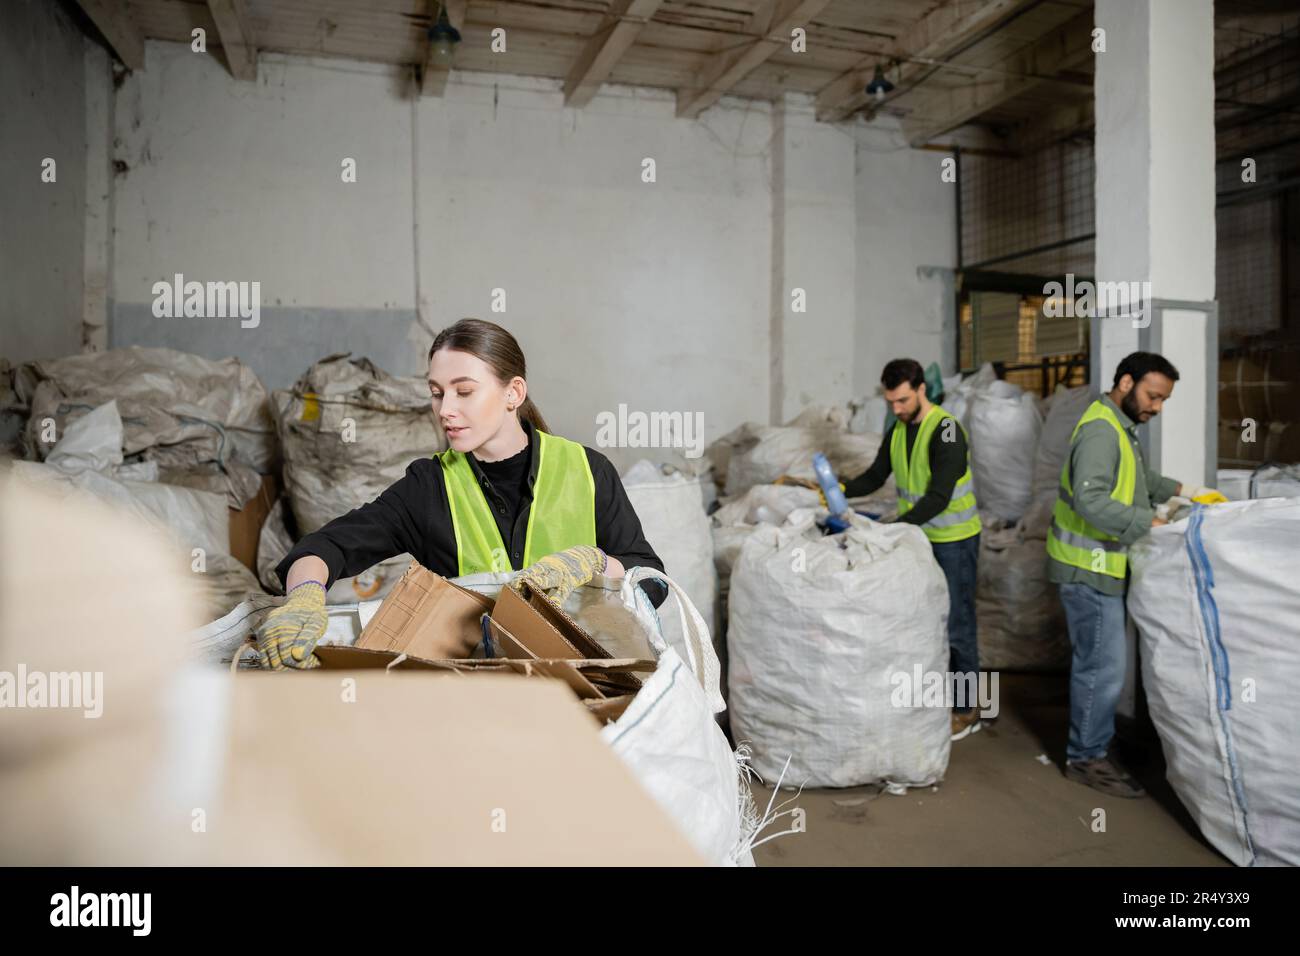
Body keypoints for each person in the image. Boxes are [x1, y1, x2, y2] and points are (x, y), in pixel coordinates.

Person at [257, 318, 667, 670]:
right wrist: (303, 597)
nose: (444, 409)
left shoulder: (587, 470)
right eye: (437, 393)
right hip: (475, 685)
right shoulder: (428, 488)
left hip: (588, 679)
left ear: (514, 393)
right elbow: (328, 546)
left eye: (464, 391)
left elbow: (651, 579)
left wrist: (591, 564)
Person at [1047, 351, 1225, 797]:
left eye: (1163, 400)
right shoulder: (1101, 432)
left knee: (1106, 665)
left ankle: (1096, 737)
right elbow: (1091, 500)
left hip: (1101, 566)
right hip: (1087, 568)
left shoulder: (1118, 426)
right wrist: (1153, 524)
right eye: (1152, 396)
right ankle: (1085, 756)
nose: (1156, 407)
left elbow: (1140, 479)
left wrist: (1191, 493)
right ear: (1126, 383)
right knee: (1102, 668)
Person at [842, 358, 984, 742]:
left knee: (958, 624)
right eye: (891, 402)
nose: (897, 409)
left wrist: (893, 528)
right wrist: (837, 491)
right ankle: (935, 698)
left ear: (922, 389)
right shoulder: (898, 429)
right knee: (924, 618)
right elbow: (876, 475)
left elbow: (939, 496)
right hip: (920, 539)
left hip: (954, 539)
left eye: (903, 400)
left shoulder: (948, 431)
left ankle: (969, 708)